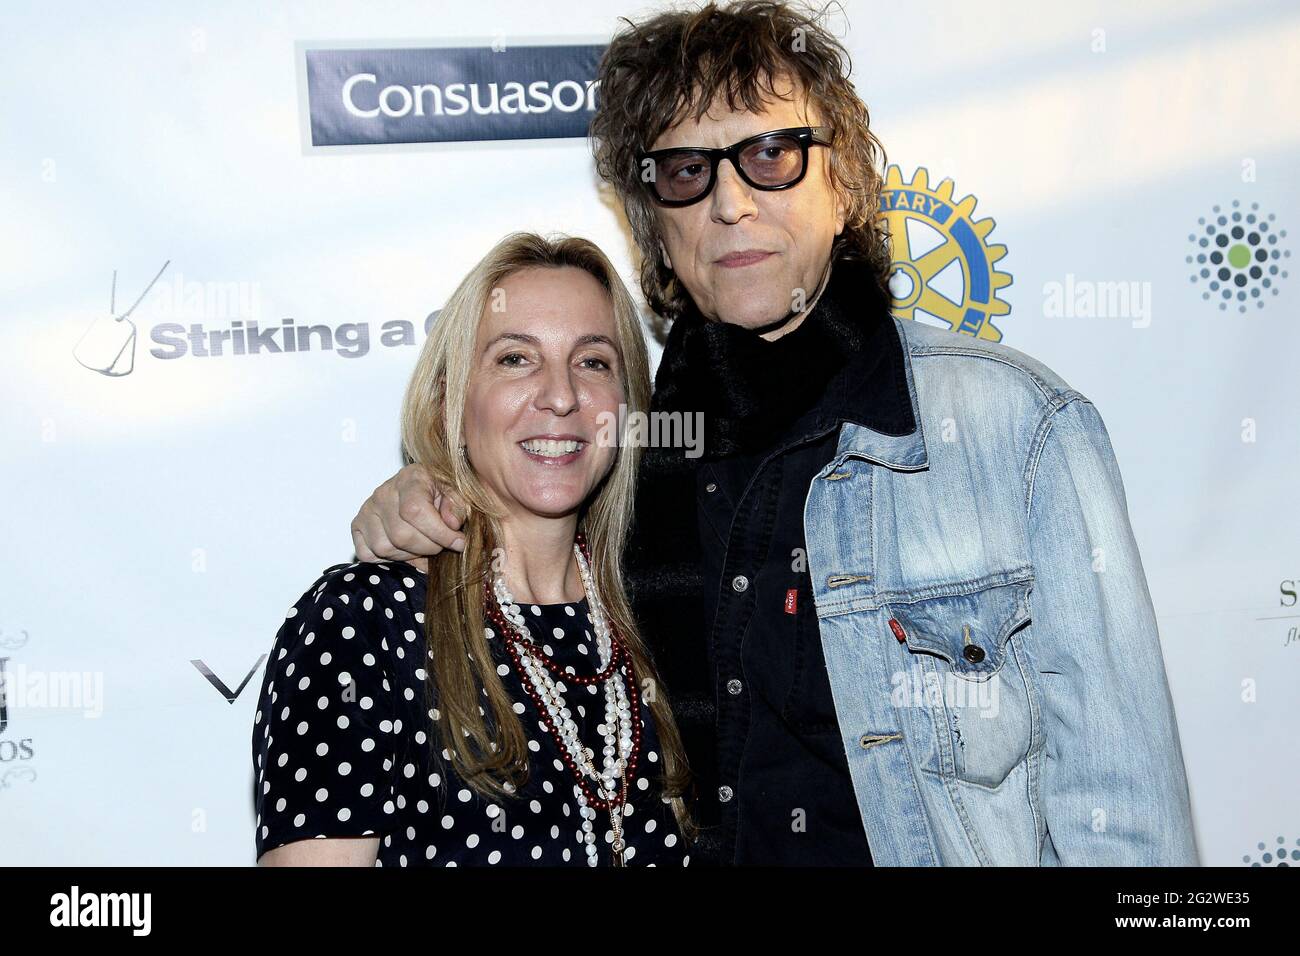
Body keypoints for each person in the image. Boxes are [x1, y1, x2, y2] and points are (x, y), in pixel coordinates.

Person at [350, 0, 1199, 866]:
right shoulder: (622, 456)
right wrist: (418, 497)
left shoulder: (1010, 428)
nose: (730, 204)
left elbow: (1127, 821)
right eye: (687, 170)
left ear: (845, 187)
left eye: (770, 155)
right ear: (656, 226)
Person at [252, 232, 693, 866]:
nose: (562, 395)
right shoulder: (363, 625)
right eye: (516, 359)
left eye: (593, 361)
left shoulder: (661, 607)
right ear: (449, 401)